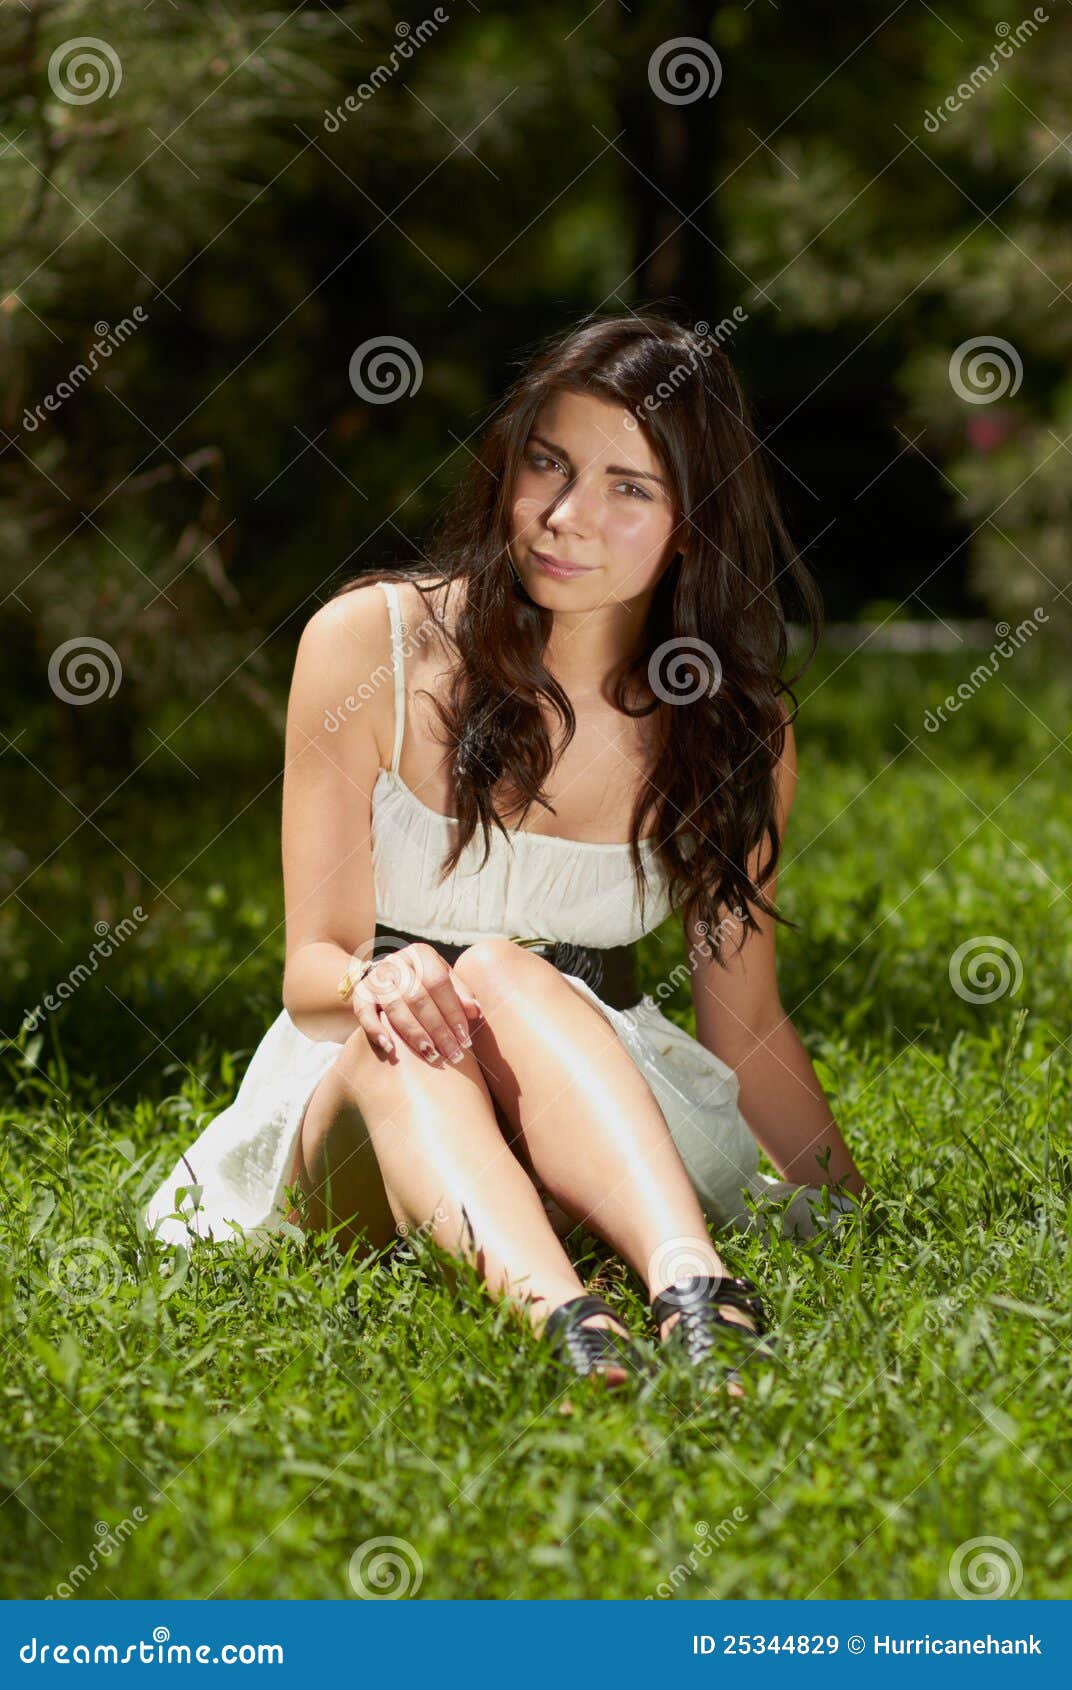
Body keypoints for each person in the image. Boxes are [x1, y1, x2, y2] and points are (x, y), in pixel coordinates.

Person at [144, 312, 865, 1394]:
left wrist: (845, 1212)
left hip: (588, 1105)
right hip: (365, 1109)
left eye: (630, 488)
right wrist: (375, 977)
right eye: (548, 462)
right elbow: (309, 971)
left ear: (692, 525)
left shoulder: (732, 726)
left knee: (496, 969)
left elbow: (745, 1019)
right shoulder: (371, 646)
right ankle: (566, 1315)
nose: (566, 517)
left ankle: (692, 1289)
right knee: (425, 1013)